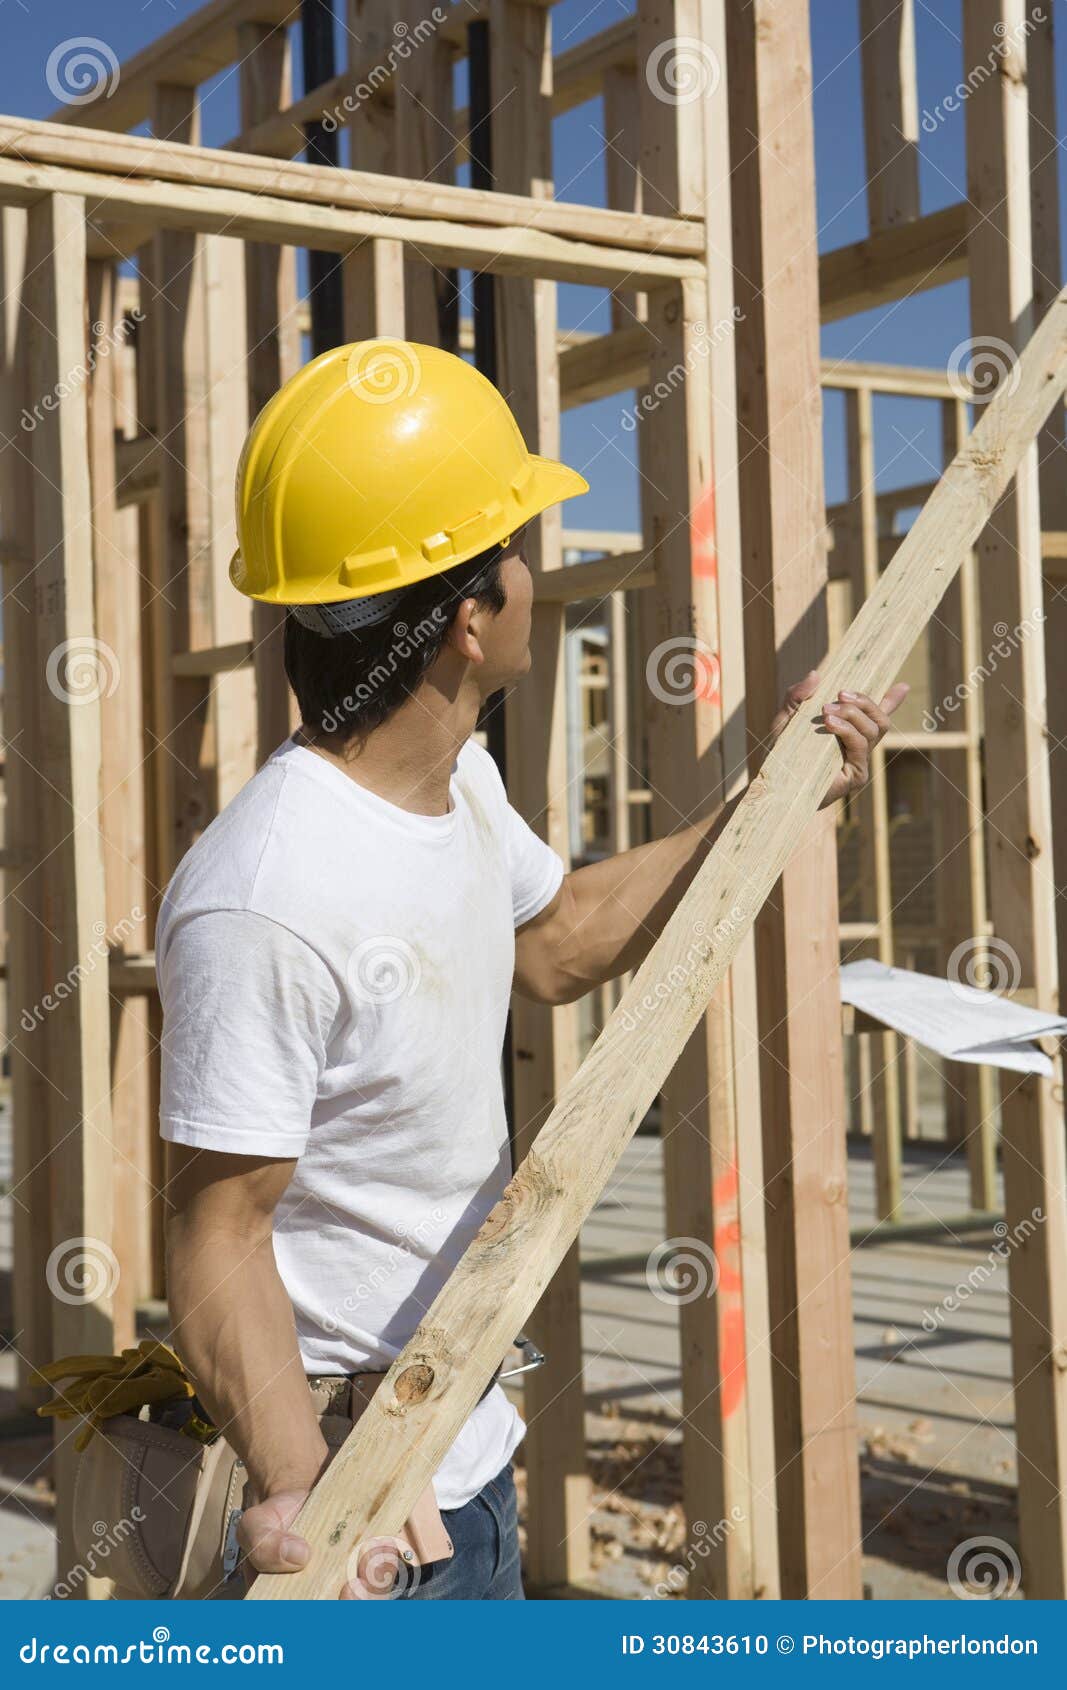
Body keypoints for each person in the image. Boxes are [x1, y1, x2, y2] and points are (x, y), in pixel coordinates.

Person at [160, 340, 906, 1600]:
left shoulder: (455, 786)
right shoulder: (265, 893)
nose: (532, 574)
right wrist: (308, 1496)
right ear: (470, 619)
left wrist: (773, 794)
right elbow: (217, 1230)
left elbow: (559, 938)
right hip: (359, 1498)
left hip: (466, 1453)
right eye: (515, 548)